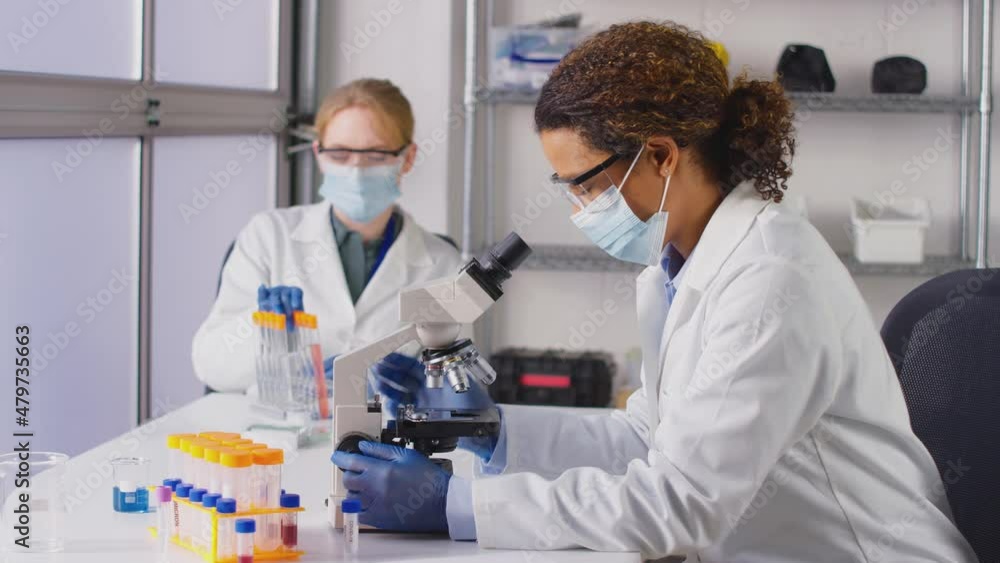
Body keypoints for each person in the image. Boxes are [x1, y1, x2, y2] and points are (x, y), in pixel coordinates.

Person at [330, 22, 977, 562]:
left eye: (585, 183)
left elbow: (680, 506)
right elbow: (650, 438)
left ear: (662, 155)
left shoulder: (774, 278)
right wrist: (492, 431)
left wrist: (453, 504)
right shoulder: (676, 263)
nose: (581, 208)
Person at [192, 78, 463, 392]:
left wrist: (423, 390)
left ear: (408, 157)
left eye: (376, 155)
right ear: (318, 153)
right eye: (339, 154)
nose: (356, 170)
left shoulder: (442, 265)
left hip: (387, 435)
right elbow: (211, 367)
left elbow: (455, 389)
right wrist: (264, 328)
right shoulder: (268, 237)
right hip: (278, 434)